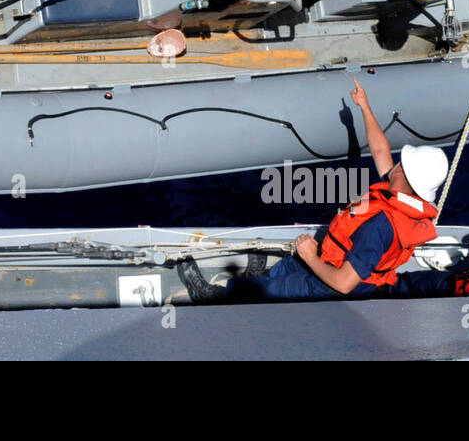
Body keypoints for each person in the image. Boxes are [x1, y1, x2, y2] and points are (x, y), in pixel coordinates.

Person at [176, 79, 449, 303]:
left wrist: (311, 256)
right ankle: (254, 279)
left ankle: (213, 298)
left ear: (402, 172)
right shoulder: (403, 196)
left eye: (401, 163)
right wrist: (364, 106)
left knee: (274, 291)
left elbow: (343, 283)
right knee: (284, 269)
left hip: (333, 280)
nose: (396, 164)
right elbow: (380, 150)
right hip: (331, 254)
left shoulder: (382, 226)